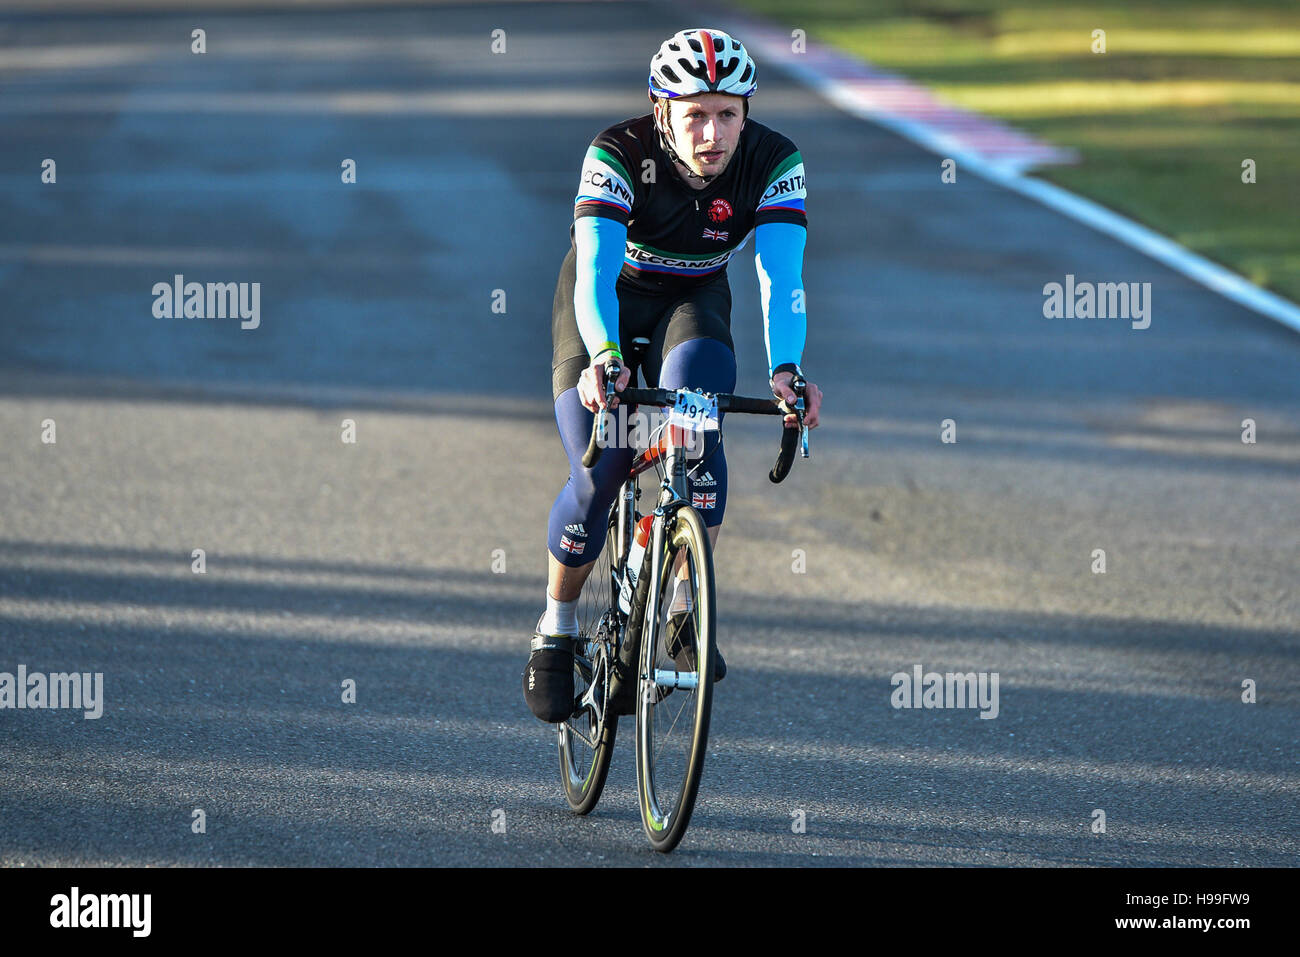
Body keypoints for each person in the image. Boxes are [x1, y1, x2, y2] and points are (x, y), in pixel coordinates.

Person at [524, 27, 824, 722]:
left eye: (728, 114)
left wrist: (787, 368)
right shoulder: (618, 152)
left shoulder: (775, 159)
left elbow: (783, 278)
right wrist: (605, 355)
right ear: (662, 111)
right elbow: (595, 272)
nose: (713, 134)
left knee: (699, 428)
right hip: (609, 300)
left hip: (694, 300)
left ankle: (684, 603)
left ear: (746, 115)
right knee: (603, 467)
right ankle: (556, 627)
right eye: (695, 115)